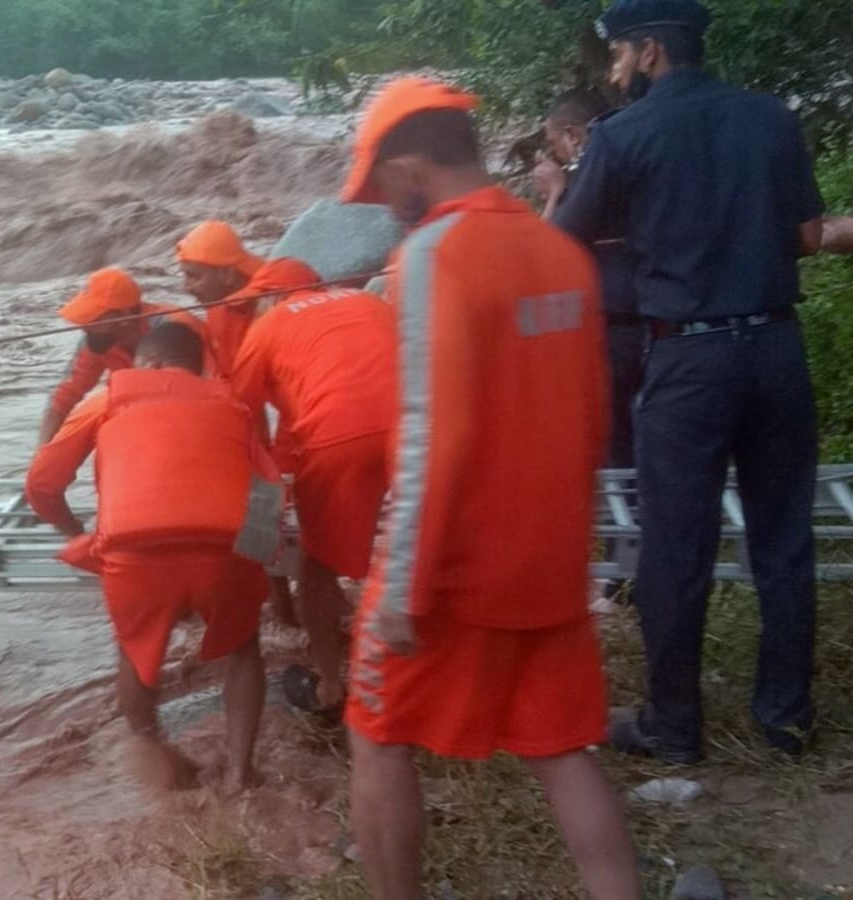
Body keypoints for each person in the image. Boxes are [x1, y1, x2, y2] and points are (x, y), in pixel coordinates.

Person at [340, 77, 639, 898]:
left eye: (383, 185)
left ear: (409, 167)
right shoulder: (560, 248)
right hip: (547, 560)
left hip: (455, 569)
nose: (384, 203)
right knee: (562, 752)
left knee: (376, 732)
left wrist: (403, 585)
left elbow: (433, 432)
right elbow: (591, 417)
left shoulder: (433, 256)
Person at [555, 0, 826, 762]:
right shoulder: (771, 117)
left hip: (688, 360)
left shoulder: (621, 133)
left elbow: (561, 246)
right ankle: (787, 718)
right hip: (776, 347)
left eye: (618, 56)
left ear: (647, 53)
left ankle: (674, 726)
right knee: (783, 538)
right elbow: (807, 235)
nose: (613, 71)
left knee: (676, 546)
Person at [26, 321, 278, 793]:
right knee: (243, 649)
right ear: (195, 366)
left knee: (136, 653)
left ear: (150, 364)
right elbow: (268, 489)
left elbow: (43, 481)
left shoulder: (106, 401)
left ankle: (161, 756)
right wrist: (256, 562)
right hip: (223, 550)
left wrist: (71, 529)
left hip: (133, 554)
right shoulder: (232, 404)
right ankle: (240, 777)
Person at [230, 256, 394, 718]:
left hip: (339, 435)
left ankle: (330, 686)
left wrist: (257, 513)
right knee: (425, 544)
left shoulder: (267, 327)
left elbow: (241, 422)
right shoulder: (370, 301)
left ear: (272, 298)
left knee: (318, 567)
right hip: (422, 426)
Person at [533, 88, 643, 610]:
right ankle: (644, 571)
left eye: (554, 142)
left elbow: (548, 252)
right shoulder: (638, 166)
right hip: (657, 325)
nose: (553, 153)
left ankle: (625, 578)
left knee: (617, 451)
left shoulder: (589, 179)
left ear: (574, 136)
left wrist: (554, 191)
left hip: (613, 330)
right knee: (647, 449)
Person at [38, 267, 209, 444]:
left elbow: (211, 384)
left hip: (195, 410)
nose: (85, 327)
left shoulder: (177, 327)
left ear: (124, 316)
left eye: (93, 318)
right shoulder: (96, 341)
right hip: (147, 415)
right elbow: (63, 396)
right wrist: (43, 450)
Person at [176, 220, 268, 372]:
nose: (186, 287)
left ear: (227, 275)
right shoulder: (223, 313)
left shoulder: (273, 304)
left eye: (193, 276)